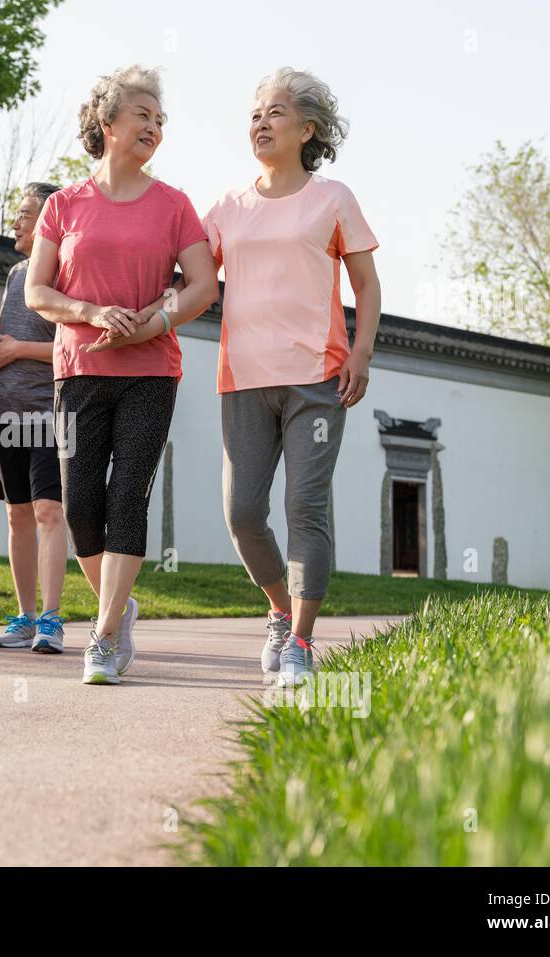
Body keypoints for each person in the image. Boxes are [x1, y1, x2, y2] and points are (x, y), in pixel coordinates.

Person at [25, 65, 219, 685]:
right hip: (77, 370)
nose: (154, 127)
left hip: (150, 373)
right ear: (108, 124)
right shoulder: (63, 206)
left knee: (127, 494)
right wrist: (88, 312)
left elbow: (202, 286)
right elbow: (37, 291)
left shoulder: (175, 206)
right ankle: (121, 603)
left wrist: (152, 323)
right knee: (81, 504)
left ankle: (104, 637)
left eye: (160, 120)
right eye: (143, 115)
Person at [201, 67, 382, 686]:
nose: (260, 122)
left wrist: (361, 353)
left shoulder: (333, 199)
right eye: (255, 113)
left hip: (317, 379)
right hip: (243, 377)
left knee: (306, 504)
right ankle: (278, 607)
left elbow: (366, 284)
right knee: (243, 513)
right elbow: (193, 276)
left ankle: (301, 642)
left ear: (307, 128)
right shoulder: (227, 207)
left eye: (275, 112)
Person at [0, 182, 70, 654]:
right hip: (6, 409)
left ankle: (53, 619)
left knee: (48, 511)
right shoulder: (17, 272)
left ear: (50, 218)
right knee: (17, 514)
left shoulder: (66, 271)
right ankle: (25, 617)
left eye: (25, 213)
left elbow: (72, 345)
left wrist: (18, 348)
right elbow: (4, 335)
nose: (16, 222)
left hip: (52, 412)